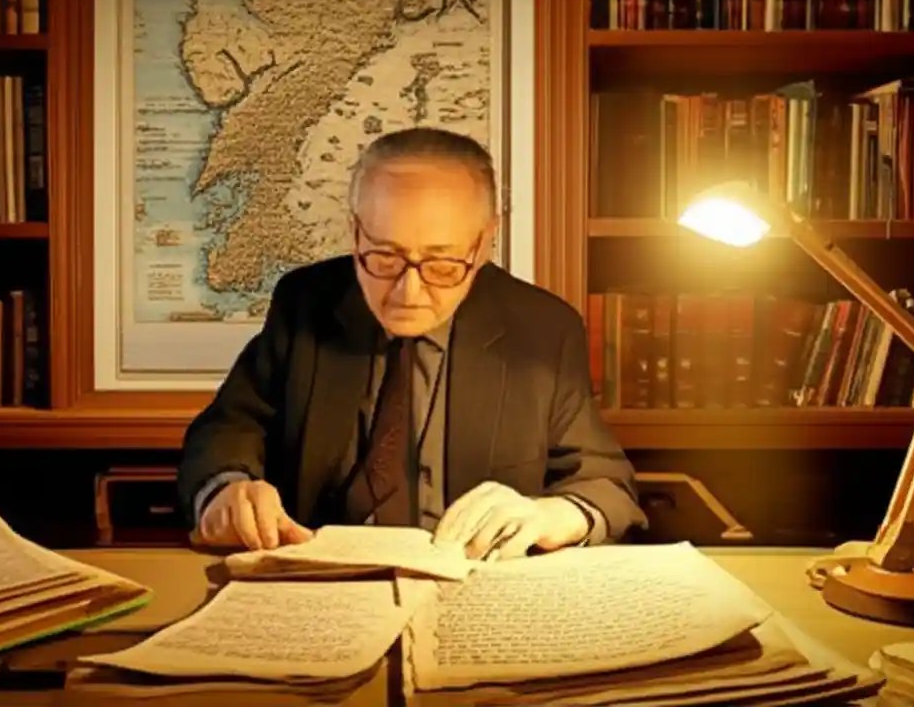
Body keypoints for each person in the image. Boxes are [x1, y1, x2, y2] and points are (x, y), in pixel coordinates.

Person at [178, 126, 646, 560]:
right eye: (383, 257)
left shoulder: (542, 329)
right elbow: (227, 430)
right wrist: (226, 488)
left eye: (442, 265)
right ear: (354, 230)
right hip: (319, 584)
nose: (408, 293)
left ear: (484, 243)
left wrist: (553, 515)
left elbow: (605, 483)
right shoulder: (305, 303)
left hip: (479, 585)